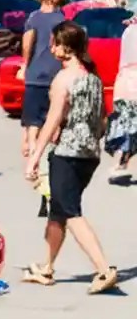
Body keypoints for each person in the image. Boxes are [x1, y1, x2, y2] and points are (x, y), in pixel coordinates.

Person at [24, 21, 119, 294]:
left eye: (54, 42)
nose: (51, 47)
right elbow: (101, 121)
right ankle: (47, 266)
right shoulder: (93, 78)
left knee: (70, 211)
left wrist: (34, 157)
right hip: (89, 154)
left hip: (67, 153)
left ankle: (104, 269)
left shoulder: (63, 80)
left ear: (65, 47)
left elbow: (52, 122)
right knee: (58, 211)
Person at [19, 0, 67, 162]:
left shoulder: (34, 18)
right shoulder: (62, 20)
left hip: (35, 74)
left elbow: (27, 43)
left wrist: (25, 65)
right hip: (56, 73)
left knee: (33, 116)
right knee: (54, 111)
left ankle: (32, 146)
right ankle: (46, 148)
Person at [105, 18, 137, 183]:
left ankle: (120, 162)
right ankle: (120, 163)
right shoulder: (131, 31)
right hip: (130, 85)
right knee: (129, 127)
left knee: (126, 126)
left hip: (125, 84)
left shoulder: (129, 31)